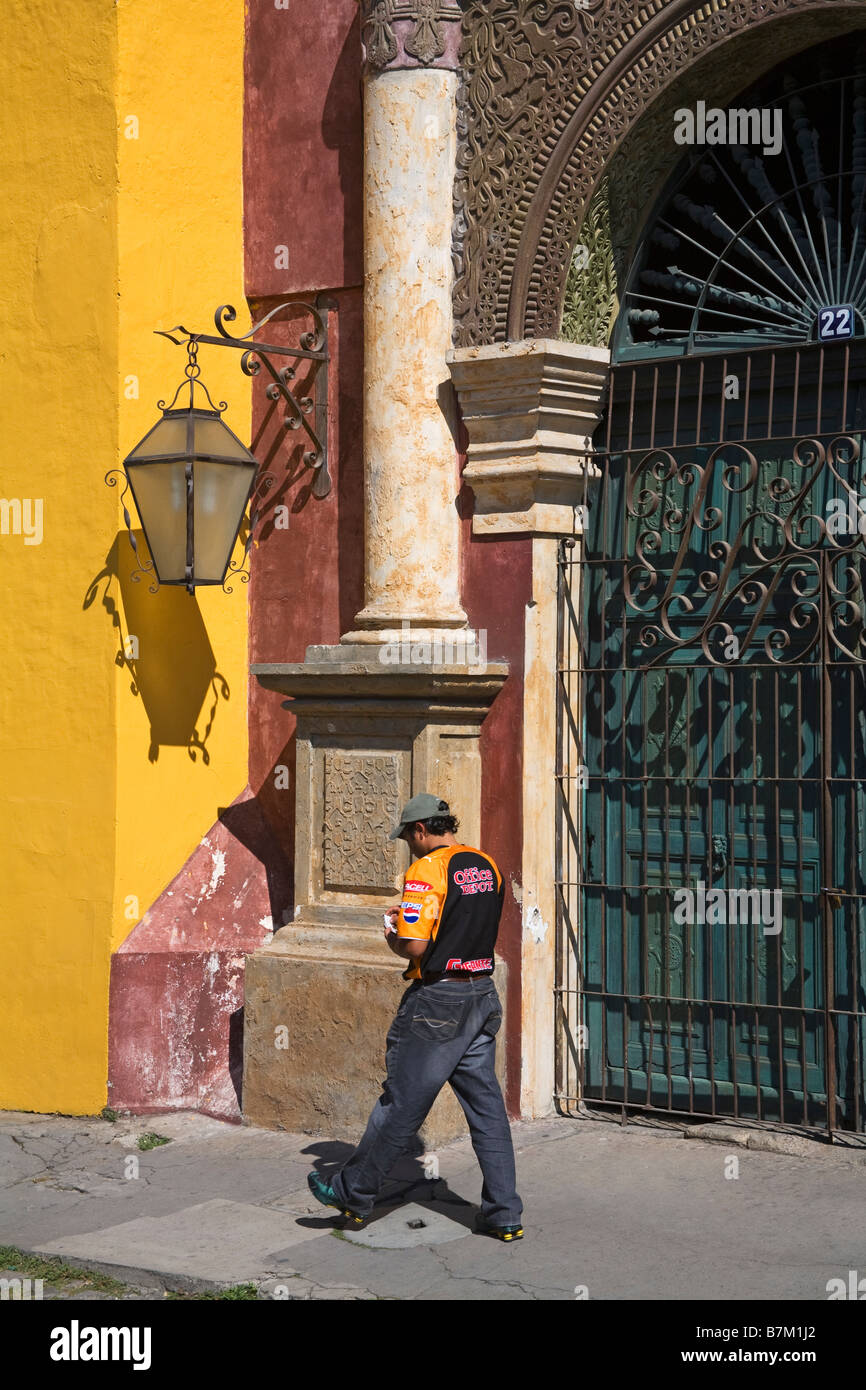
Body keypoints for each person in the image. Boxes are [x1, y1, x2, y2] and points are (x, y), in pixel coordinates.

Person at [308, 792, 524, 1240]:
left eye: (408, 836)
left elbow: (416, 948)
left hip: (439, 1003)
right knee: (487, 1110)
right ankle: (504, 1214)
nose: (409, 844)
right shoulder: (487, 864)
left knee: (401, 1104)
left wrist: (393, 933)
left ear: (421, 830)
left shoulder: (425, 870)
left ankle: (353, 1193)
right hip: (481, 992)